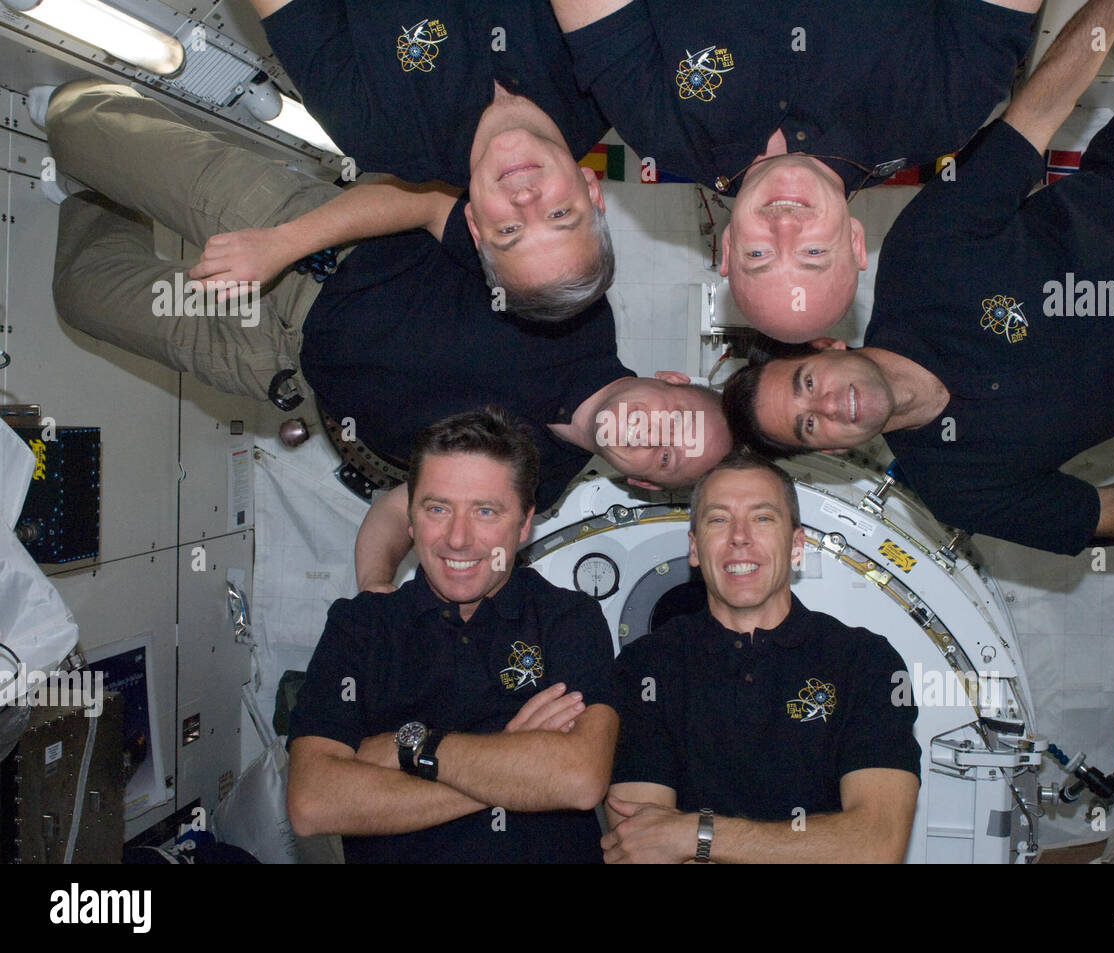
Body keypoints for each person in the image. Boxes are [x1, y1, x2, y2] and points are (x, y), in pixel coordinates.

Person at [722, 0, 1114, 555]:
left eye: (806, 385)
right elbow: (1106, 514)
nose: (827, 407)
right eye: (807, 428)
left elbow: (1036, 112)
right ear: (829, 450)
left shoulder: (920, 257)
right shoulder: (956, 486)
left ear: (825, 346)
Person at [43, 81, 731, 511]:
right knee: (73, 123)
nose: (652, 434)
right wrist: (282, 243)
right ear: (671, 380)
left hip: (274, 363)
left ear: (641, 481)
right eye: (676, 417)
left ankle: (95, 201)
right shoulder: (568, 309)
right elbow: (432, 205)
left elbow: (414, 506)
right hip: (310, 254)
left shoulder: (536, 488)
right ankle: (98, 162)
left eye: (667, 455)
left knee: (80, 292)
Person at [549, 0, 1041, 341]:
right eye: (812, 252)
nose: (785, 225)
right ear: (852, 241)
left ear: (727, 247)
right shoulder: (938, 117)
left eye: (760, 254)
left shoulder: (659, 133)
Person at [287, 407, 618, 862]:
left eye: (485, 511)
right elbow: (313, 804)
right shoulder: (361, 627)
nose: (458, 539)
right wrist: (512, 763)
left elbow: (578, 780)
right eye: (438, 508)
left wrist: (411, 747)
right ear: (409, 518)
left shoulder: (569, 620)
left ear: (524, 522)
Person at [602, 453, 920, 863]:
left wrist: (696, 835)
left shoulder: (866, 663)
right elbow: (641, 847)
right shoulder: (645, 667)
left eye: (763, 518)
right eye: (718, 520)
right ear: (695, 549)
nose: (739, 537)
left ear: (797, 545)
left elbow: (876, 846)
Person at [245, 0, 614, 320]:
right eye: (559, 215)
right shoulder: (608, 80)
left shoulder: (376, 134)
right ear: (592, 192)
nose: (525, 201)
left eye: (508, 231)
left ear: (472, 224)